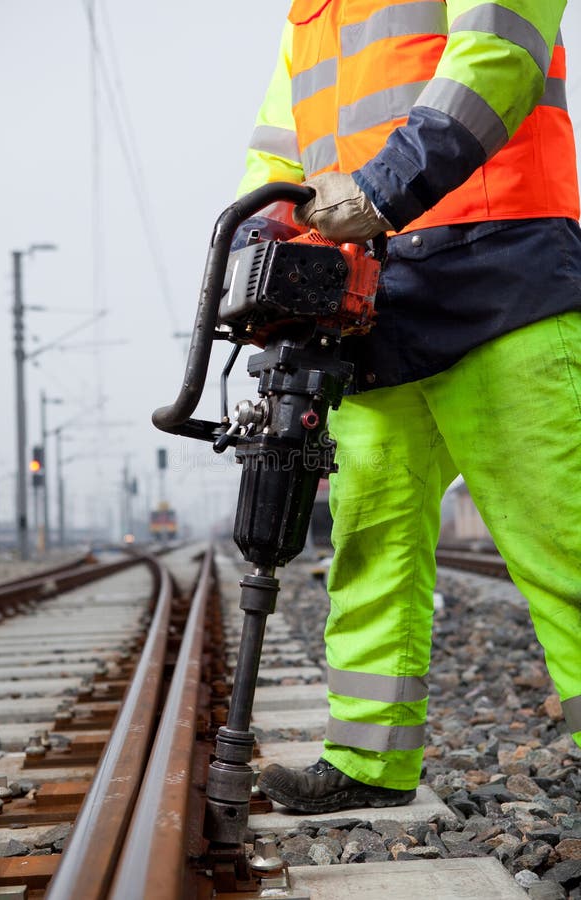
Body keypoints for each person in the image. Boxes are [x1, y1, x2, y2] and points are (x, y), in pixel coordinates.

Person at [234, 0, 581, 814]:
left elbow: (496, 54)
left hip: (500, 271)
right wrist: (262, 243)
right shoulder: (311, 14)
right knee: (371, 544)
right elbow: (276, 151)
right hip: (368, 300)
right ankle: (367, 760)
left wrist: (385, 189)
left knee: (564, 538)